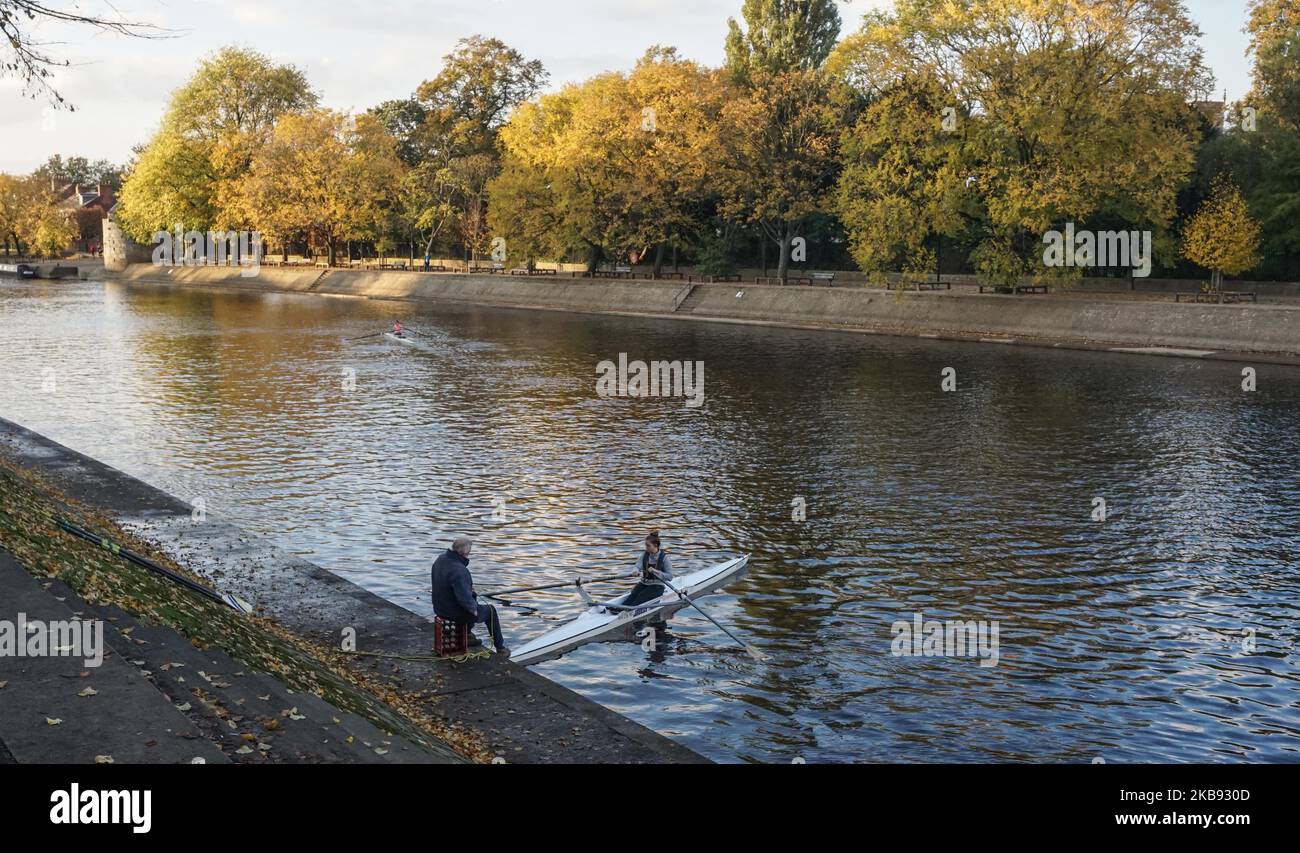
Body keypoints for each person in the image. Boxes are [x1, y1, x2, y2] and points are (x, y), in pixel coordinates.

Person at [431, 536, 507, 654]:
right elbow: (464, 599)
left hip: (439, 608)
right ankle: (501, 648)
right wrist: (474, 610)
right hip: (453, 614)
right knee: (490, 611)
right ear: (466, 553)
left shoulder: (440, 559)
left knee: (473, 596)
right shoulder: (459, 570)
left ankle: (467, 634)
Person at [623, 530, 673, 607]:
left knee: (639, 600)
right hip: (644, 583)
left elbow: (670, 577)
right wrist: (635, 571)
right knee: (630, 598)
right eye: (645, 545)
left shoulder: (665, 559)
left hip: (657, 586)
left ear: (655, 545)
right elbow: (637, 566)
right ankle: (615, 610)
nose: (646, 548)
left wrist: (656, 571)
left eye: (648, 545)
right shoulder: (644, 555)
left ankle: (625, 613)